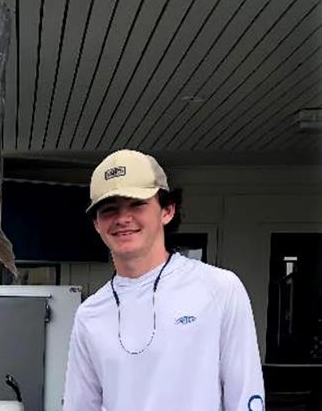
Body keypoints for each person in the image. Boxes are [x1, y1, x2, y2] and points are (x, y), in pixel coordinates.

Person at [63, 149, 264, 411]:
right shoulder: (89, 314)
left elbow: (246, 396)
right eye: (109, 209)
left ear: (167, 211)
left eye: (137, 204)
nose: (123, 218)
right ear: (96, 225)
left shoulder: (219, 289)